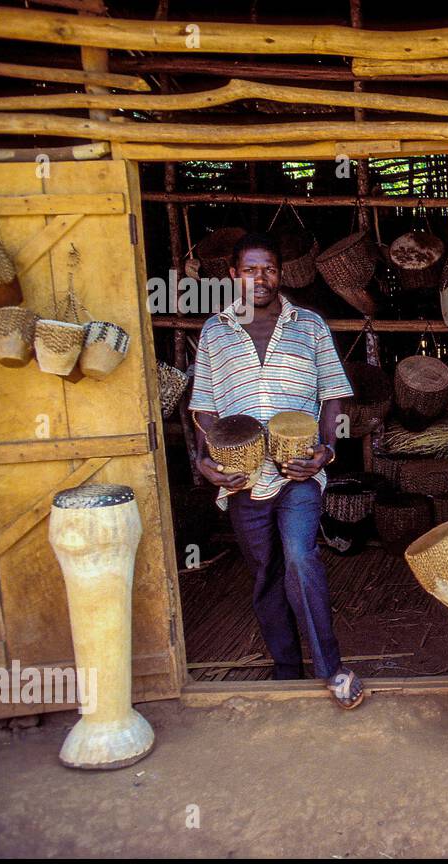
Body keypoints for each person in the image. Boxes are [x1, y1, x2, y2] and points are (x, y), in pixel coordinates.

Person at [189, 233, 364, 710]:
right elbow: (203, 407)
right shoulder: (215, 332)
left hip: (299, 471)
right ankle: (286, 668)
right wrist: (206, 462)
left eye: (268, 269)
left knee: (300, 557)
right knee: (266, 571)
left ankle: (331, 668)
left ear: (280, 273)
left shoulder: (309, 326)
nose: (259, 278)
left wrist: (326, 450)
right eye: (250, 269)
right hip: (243, 475)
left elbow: (333, 392)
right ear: (234, 274)